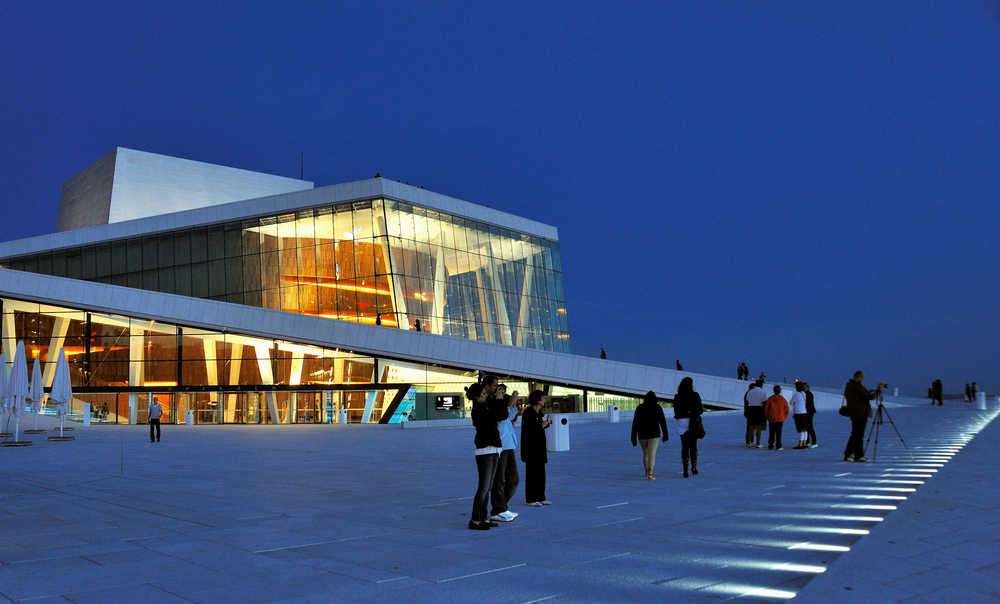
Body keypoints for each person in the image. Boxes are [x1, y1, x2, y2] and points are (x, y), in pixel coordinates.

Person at [467, 382, 509, 530]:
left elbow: (503, 414)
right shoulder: (478, 410)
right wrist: (498, 400)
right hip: (484, 450)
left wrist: (500, 398)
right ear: (477, 397)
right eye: (484, 394)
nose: (486, 396)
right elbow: (496, 416)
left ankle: (483, 517)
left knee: (489, 485)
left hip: (493, 448)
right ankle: (475, 519)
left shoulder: (487, 405)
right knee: (483, 487)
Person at [490, 384, 520, 523]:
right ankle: (499, 508)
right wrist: (508, 403)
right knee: (500, 479)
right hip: (502, 447)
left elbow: (510, 415)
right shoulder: (495, 405)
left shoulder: (503, 406)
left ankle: (502, 505)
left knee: (513, 479)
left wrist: (512, 403)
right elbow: (501, 418)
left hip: (509, 446)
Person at [843, 371, 883, 463]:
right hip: (860, 413)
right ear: (857, 377)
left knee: (855, 434)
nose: (862, 380)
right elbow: (869, 397)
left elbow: (859, 396)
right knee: (858, 435)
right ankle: (858, 456)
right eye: (862, 378)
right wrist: (878, 390)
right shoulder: (857, 386)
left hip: (853, 413)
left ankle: (848, 454)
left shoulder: (849, 386)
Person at [521, 390, 552, 506]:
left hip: (539, 448)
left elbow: (538, 429)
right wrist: (542, 425)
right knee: (532, 474)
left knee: (540, 473)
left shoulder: (539, 414)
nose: (544, 400)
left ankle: (541, 497)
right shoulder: (529, 413)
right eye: (543, 398)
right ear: (537, 400)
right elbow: (530, 432)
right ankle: (531, 498)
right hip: (531, 449)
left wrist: (546, 424)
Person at [631, 390, 669, 480]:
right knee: (652, 453)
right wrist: (665, 434)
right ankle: (651, 473)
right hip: (654, 434)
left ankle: (646, 471)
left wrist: (633, 437)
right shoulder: (657, 407)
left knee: (645, 453)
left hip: (642, 434)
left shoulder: (640, 408)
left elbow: (635, 423)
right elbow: (663, 422)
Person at [673, 377, 703, 477]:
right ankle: (694, 468)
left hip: (681, 422)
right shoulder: (695, 395)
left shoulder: (677, 396)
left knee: (684, 445)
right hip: (692, 421)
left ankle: (685, 470)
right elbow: (700, 410)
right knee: (693, 445)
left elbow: (676, 411)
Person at [764, 385, 788, 450]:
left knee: (771, 433)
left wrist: (767, 416)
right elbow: (787, 409)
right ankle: (778, 445)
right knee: (779, 433)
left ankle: (771, 445)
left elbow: (766, 408)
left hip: (772, 418)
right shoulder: (782, 399)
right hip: (780, 419)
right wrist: (784, 416)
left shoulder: (770, 399)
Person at [746, 379, 768, 448]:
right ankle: (758, 443)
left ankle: (749, 442)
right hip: (759, 409)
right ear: (761, 385)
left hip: (751, 409)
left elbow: (747, 400)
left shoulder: (750, 392)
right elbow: (764, 402)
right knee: (758, 427)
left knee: (751, 427)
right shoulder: (762, 392)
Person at [790, 382, 809, 449]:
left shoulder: (796, 394)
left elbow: (791, 402)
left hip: (798, 413)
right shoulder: (803, 393)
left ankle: (800, 444)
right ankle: (804, 442)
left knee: (800, 429)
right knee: (805, 429)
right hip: (804, 412)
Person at [804, 382, 818, 448]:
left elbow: (808, 404)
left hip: (809, 412)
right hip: (809, 412)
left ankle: (814, 442)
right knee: (808, 427)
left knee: (810, 427)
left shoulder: (808, 394)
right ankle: (807, 442)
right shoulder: (808, 394)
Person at [743, 382, 756, 446]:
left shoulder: (748, 393)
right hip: (750, 412)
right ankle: (749, 441)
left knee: (751, 426)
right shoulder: (749, 394)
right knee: (750, 427)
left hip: (748, 412)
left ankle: (750, 440)